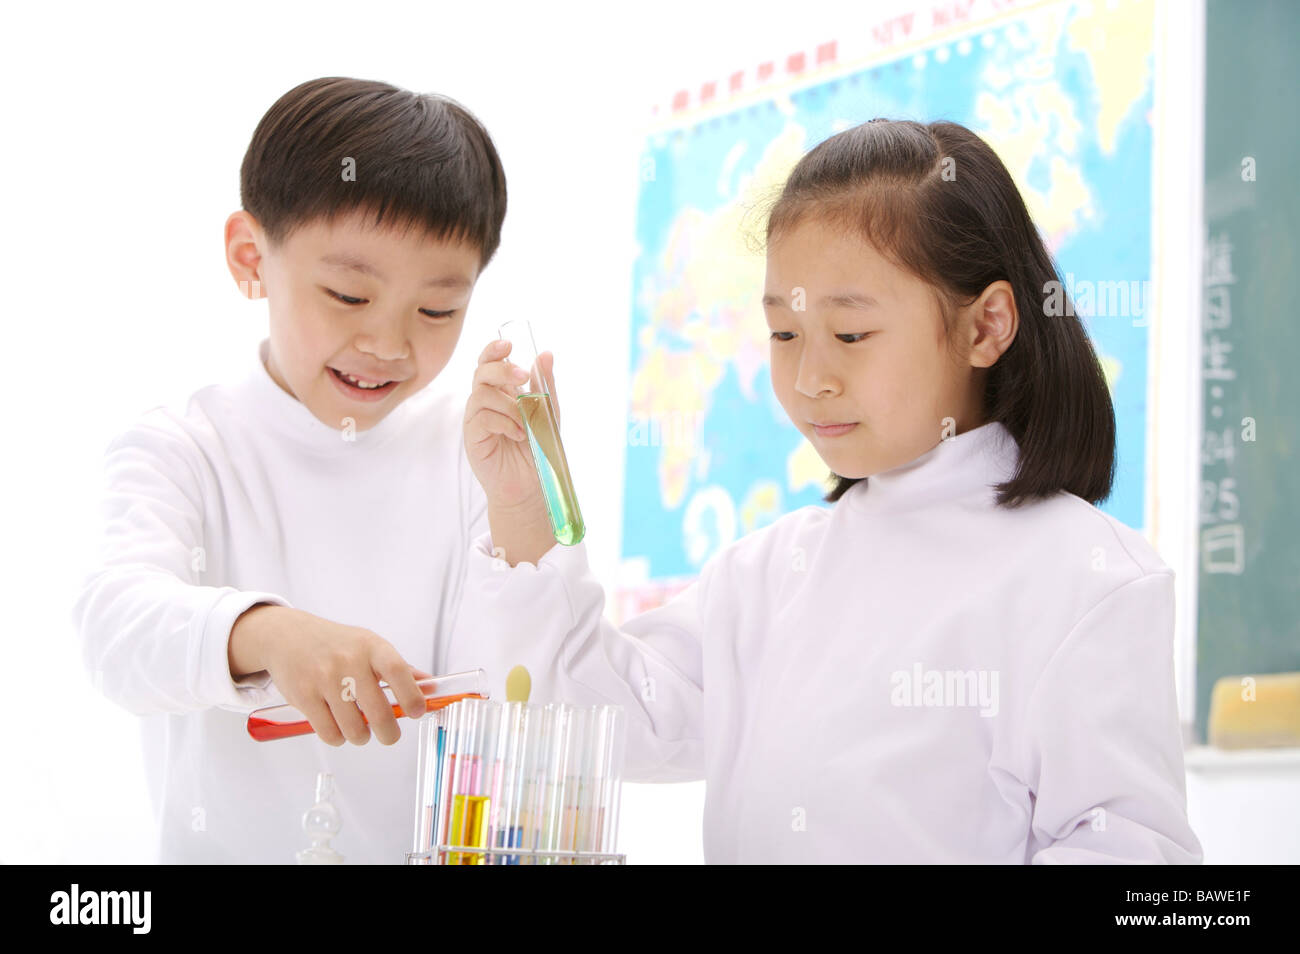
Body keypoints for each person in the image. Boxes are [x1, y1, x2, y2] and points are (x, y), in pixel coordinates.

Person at [453, 118, 1204, 863]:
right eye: (784, 335)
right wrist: (523, 508)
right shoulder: (769, 574)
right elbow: (597, 718)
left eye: (850, 335)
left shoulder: (1088, 581)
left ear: (987, 327)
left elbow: (1133, 856)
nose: (810, 379)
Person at [71, 76, 506, 864]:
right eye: (347, 294)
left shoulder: (472, 454)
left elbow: (522, 683)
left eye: (437, 310)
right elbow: (114, 629)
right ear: (250, 257)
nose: (389, 344)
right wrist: (265, 633)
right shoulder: (183, 446)